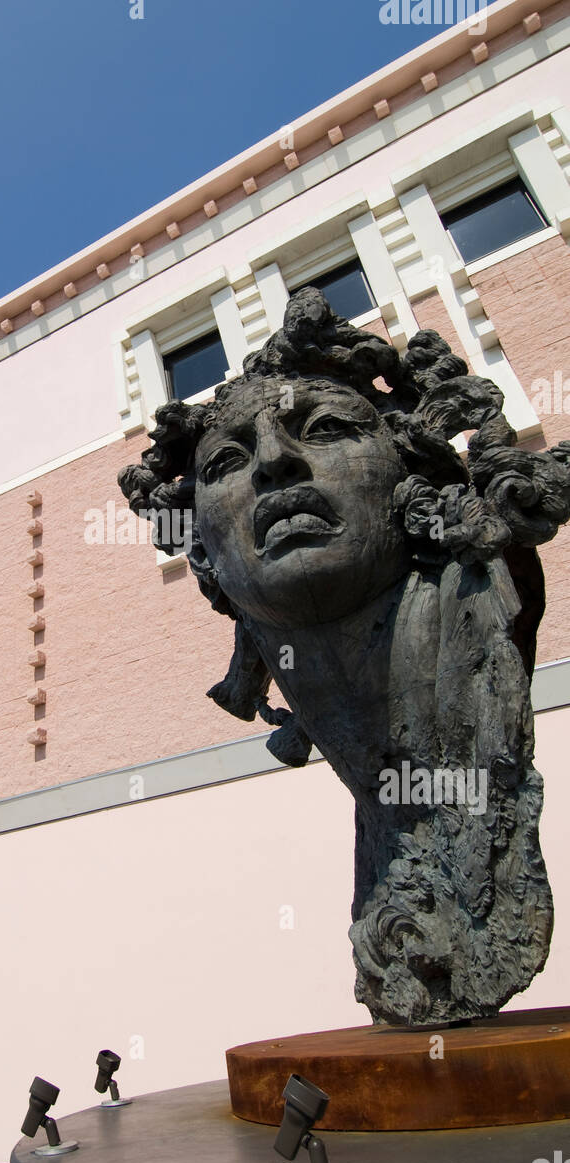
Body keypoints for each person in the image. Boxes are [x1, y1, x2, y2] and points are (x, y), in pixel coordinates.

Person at [119, 287, 570, 1026]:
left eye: (325, 428)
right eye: (226, 460)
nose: (273, 463)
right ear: (203, 547)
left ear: (411, 473)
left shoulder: (484, 593)